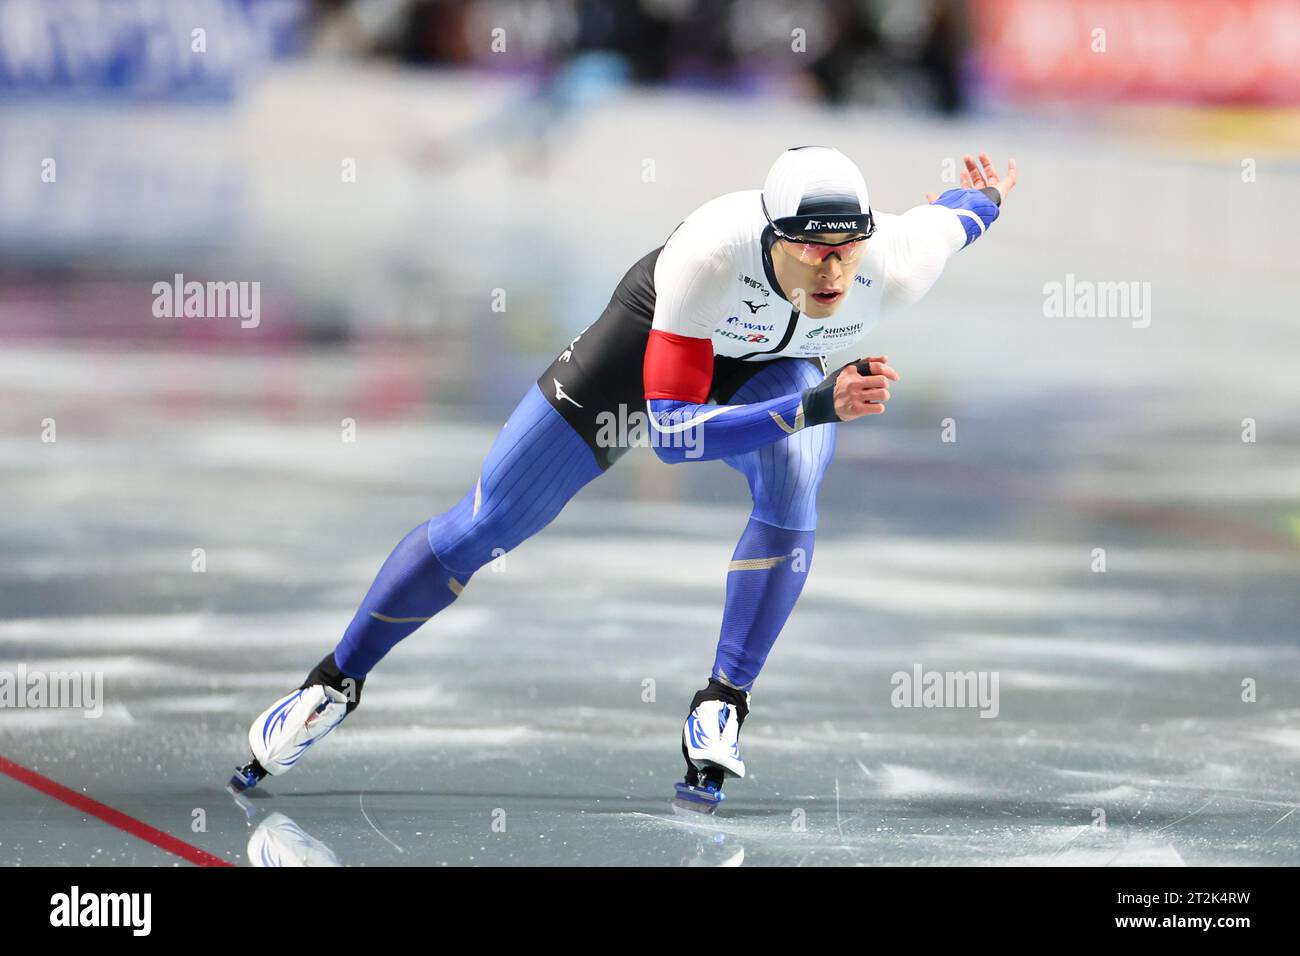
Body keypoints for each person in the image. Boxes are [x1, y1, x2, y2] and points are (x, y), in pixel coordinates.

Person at [230, 145, 1018, 810]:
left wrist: (978, 195)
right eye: (814, 247)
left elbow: (959, 218)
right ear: (773, 236)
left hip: (772, 368)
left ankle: (721, 702)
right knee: (487, 524)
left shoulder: (897, 265)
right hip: (649, 348)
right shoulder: (712, 254)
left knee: (793, 474)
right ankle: (332, 684)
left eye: (848, 246)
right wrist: (818, 403)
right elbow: (672, 438)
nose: (834, 267)